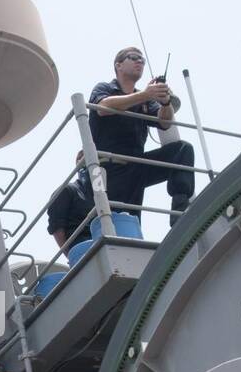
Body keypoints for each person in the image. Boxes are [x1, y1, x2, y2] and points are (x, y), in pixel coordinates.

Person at [89, 47, 196, 220]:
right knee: (120, 220)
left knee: (182, 150)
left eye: (142, 60)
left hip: (136, 165)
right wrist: (146, 95)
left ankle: (180, 211)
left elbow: (164, 122)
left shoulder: (145, 98)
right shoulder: (105, 88)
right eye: (133, 58)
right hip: (109, 169)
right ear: (119, 65)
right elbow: (103, 107)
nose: (140, 62)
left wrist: (165, 103)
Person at [46, 153, 95, 248]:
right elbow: (57, 227)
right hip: (82, 247)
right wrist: (70, 256)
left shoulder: (106, 196)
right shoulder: (67, 190)